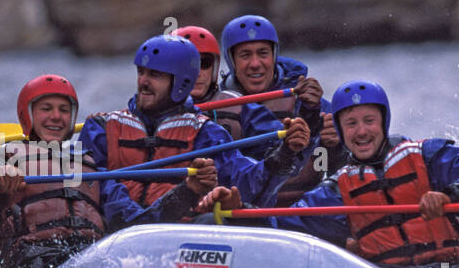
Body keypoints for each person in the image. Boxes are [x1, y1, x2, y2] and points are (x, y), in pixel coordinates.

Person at [0, 74, 235, 268]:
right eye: (46, 108)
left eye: (64, 110)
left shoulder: (92, 169)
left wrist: (189, 191)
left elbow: (138, 227)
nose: (56, 116)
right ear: (26, 115)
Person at [274, 80, 459, 268]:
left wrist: (451, 193)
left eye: (369, 121)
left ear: (384, 123)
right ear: (340, 130)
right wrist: (244, 210)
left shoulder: (429, 155)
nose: (362, 131)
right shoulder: (336, 191)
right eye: (351, 124)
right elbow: (284, 223)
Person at [76, 33, 309, 209]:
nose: (144, 82)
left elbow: (250, 183)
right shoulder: (101, 129)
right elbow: (88, 189)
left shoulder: (206, 134)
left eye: (155, 75)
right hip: (118, 233)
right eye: (142, 72)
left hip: (179, 234)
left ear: (180, 83)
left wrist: (286, 153)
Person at [216, 14, 337, 205]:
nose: (255, 64)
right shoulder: (216, 108)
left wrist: (336, 148)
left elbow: (345, 170)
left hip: (305, 206)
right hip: (246, 208)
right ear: (231, 61)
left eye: (263, 53)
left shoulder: (312, 104)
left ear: (274, 55)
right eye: (245, 55)